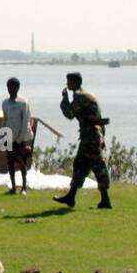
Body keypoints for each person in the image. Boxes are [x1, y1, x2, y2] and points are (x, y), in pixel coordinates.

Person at [53, 72, 112, 209]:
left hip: (91, 135)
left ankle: (105, 200)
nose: (67, 85)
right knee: (80, 164)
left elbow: (69, 114)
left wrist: (64, 99)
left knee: (97, 166)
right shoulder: (86, 94)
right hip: (91, 134)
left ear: (74, 82)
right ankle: (71, 197)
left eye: (68, 82)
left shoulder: (79, 96)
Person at [1, 77, 34, 194]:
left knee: (22, 162)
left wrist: (19, 139)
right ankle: (13, 187)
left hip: (22, 138)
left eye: (13, 87)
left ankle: (24, 187)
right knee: (10, 162)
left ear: (17, 88)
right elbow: (5, 120)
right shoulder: (5, 103)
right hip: (9, 136)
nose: (11, 89)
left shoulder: (23, 103)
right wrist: (2, 136)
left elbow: (26, 122)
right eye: (9, 87)